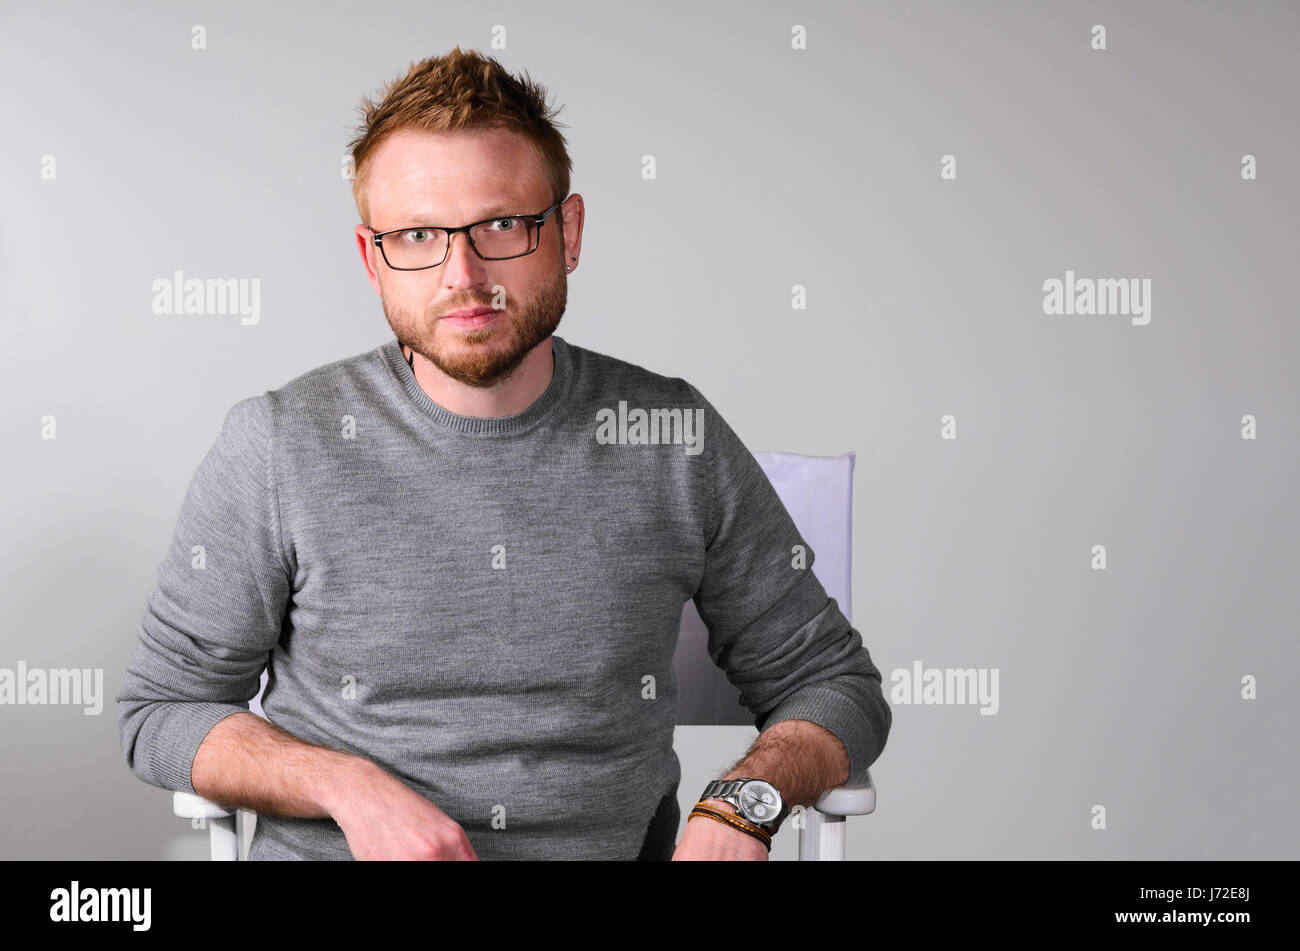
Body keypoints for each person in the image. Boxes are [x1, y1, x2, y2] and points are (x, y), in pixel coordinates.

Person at [116, 46, 891, 861]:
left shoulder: (673, 435)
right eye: (417, 234)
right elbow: (162, 709)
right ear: (371, 258)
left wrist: (743, 804)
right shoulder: (277, 444)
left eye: (502, 225)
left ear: (570, 231)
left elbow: (835, 684)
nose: (463, 272)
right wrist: (345, 785)